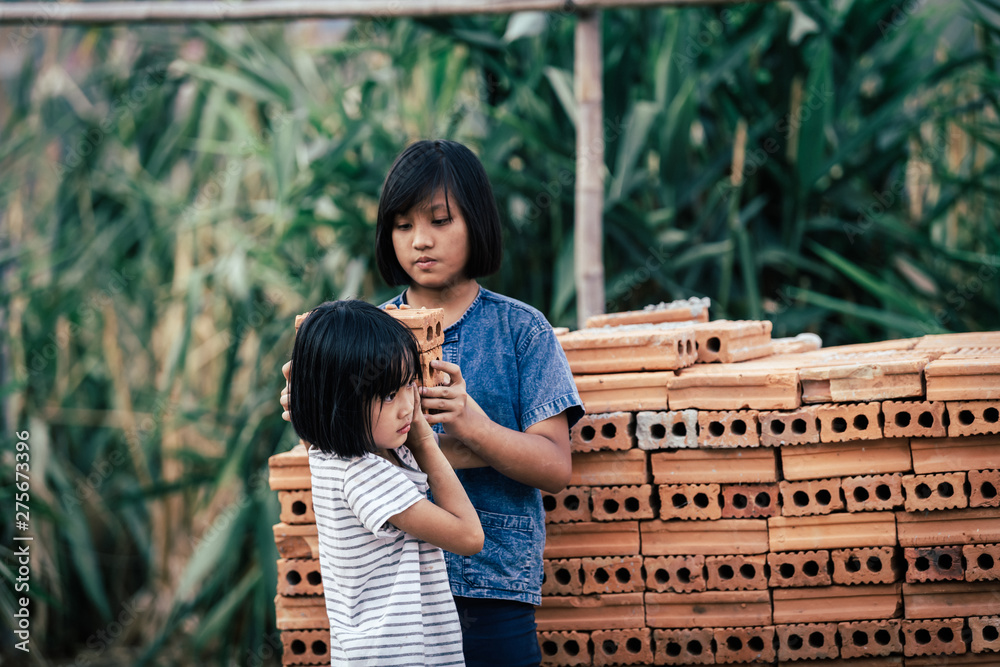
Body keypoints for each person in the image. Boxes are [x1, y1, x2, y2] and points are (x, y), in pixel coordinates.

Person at [374, 139, 585, 666]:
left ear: (478, 223)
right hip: (396, 595)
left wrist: (474, 426)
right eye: (403, 225)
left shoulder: (522, 331)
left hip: (493, 591)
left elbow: (555, 466)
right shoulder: (367, 336)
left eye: (440, 220)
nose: (420, 240)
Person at [288, 299, 484, 666]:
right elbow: (470, 537)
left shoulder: (338, 454)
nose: (408, 406)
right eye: (389, 394)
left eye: (410, 384)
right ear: (339, 401)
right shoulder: (366, 474)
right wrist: (425, 441)